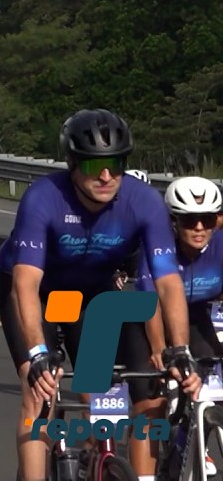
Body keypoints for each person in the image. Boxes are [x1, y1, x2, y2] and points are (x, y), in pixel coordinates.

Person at [0, 109, 199, 481]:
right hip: (36, 292)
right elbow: (24, 284)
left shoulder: (143, 202)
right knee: (40, 397)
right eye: (93, 166)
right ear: (72, 164)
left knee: (103, 393)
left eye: (116, 164)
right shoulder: (43, 198)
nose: (106, 176)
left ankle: (98, 461)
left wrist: (180, 348)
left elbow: (167, 281)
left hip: (91, 294)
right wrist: (39, 354)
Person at [128, 176, 223, 477]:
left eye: (207, 220)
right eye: (189, 220)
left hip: (194, 316)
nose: (199, 228)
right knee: (151, 402)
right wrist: (158, 348)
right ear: (173, 221)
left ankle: (197, 439)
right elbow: (150, 303)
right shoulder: (157, 245)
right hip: (149, 315)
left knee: (213, 380)